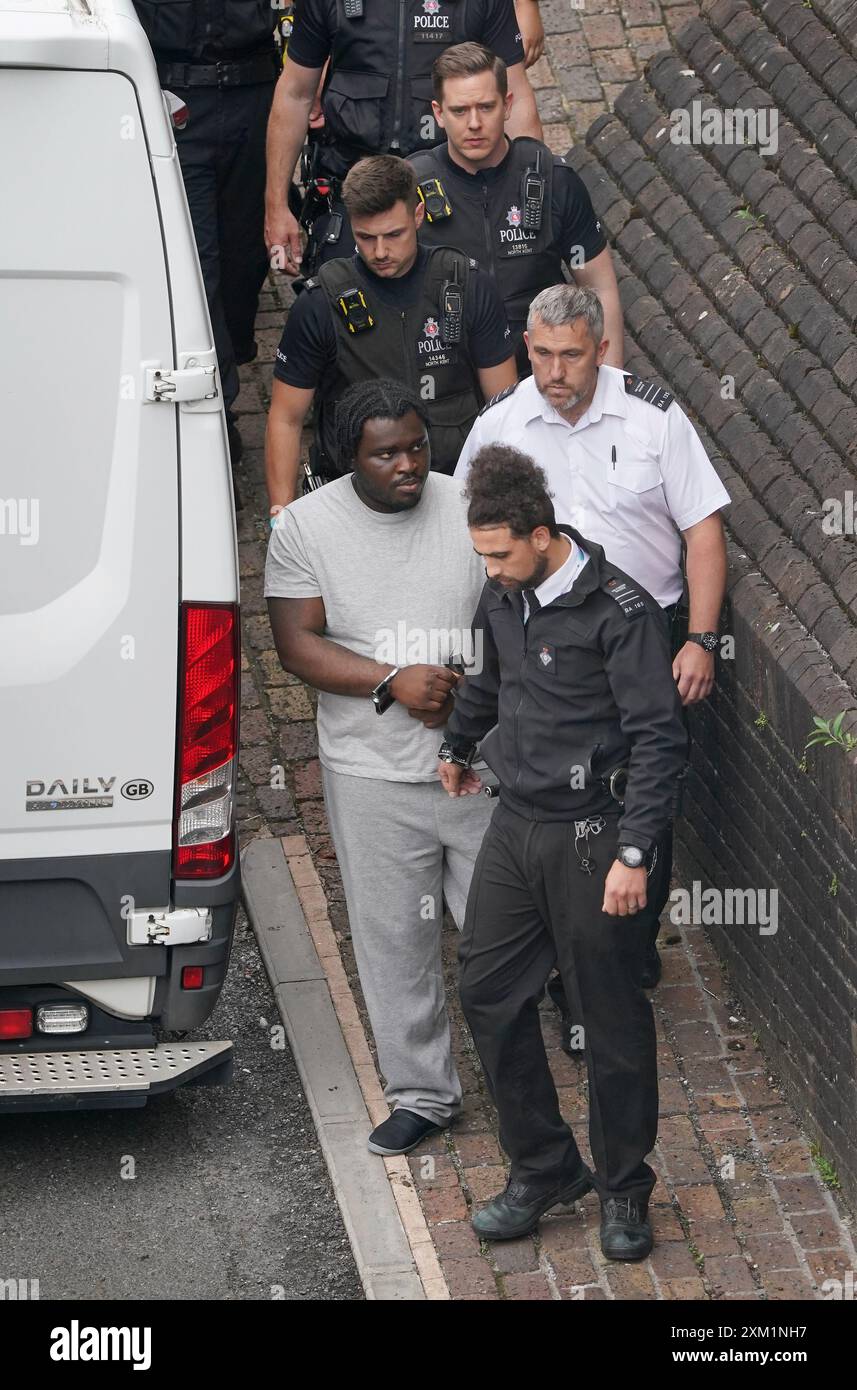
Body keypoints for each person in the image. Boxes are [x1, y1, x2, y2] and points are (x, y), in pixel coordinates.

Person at [456, 284, 730, 1033]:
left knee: (644, 785)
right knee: (561, 802)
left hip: (646, 637)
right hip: (547, 639)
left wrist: (700, 638)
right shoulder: (499, 427)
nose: (553, 371)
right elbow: (472, 540)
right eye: (539, 354)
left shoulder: (652, 418)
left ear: (600, 350)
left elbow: (702, 529)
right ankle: (573, 976)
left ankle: (627, 943)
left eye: (569, 355)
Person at [438, 445, 687, 1256]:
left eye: (501, 553)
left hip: (594, 837)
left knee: (605, 1014)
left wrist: (636, 853)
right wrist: (457, 741)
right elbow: (489, 676)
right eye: (483, 557)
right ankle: (543, 1167)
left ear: (542, 534)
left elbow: (658, 740)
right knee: (486, 990)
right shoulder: (504, 591)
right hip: (516, 827)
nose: (492, 570)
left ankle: (623, 1190)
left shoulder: (619, 611)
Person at [265, 380, 495, 1157]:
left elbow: (516, 607)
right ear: (346, 458)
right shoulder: (303, 527)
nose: (406, 464)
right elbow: (296, 644)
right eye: (385, 453)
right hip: (368, 772)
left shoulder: (467, 502)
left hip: (477, 767)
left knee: (502, 933)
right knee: (393, 939)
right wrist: (389, 680)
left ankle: (517, 1080)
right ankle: (423, 1096)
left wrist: (472, 699)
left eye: (415, 446)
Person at [265, 155, 517, 519]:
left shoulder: (468, 287)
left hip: (456, 489)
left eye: (393, 235)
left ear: (417, 217)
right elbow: (286, 419)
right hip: (357, 501)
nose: (380, 252)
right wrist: (282, 516)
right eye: (366, 238)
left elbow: (503, 410)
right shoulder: (319, 306)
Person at [264, 0, 543, 276]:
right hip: (349, 194)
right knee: (336, 308)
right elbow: (294, 95)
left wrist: (537, 194)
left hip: (452, 197)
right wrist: (276, 206)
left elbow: (515, 97)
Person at [410, 44, 622, 373]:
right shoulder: (410, 188)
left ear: (507, 105)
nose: (475, 123)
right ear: (438, 113)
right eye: (460, 110)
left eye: (486, 107)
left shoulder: (555, 180)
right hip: (450, 382)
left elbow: (599, 288)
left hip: (543, 378)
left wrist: (611, 387)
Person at [133, 0, 279, 464]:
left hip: (254, 92)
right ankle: (218, 423)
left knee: (247, 258)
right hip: (174, 96)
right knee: (198, 265)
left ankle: (231, 350)